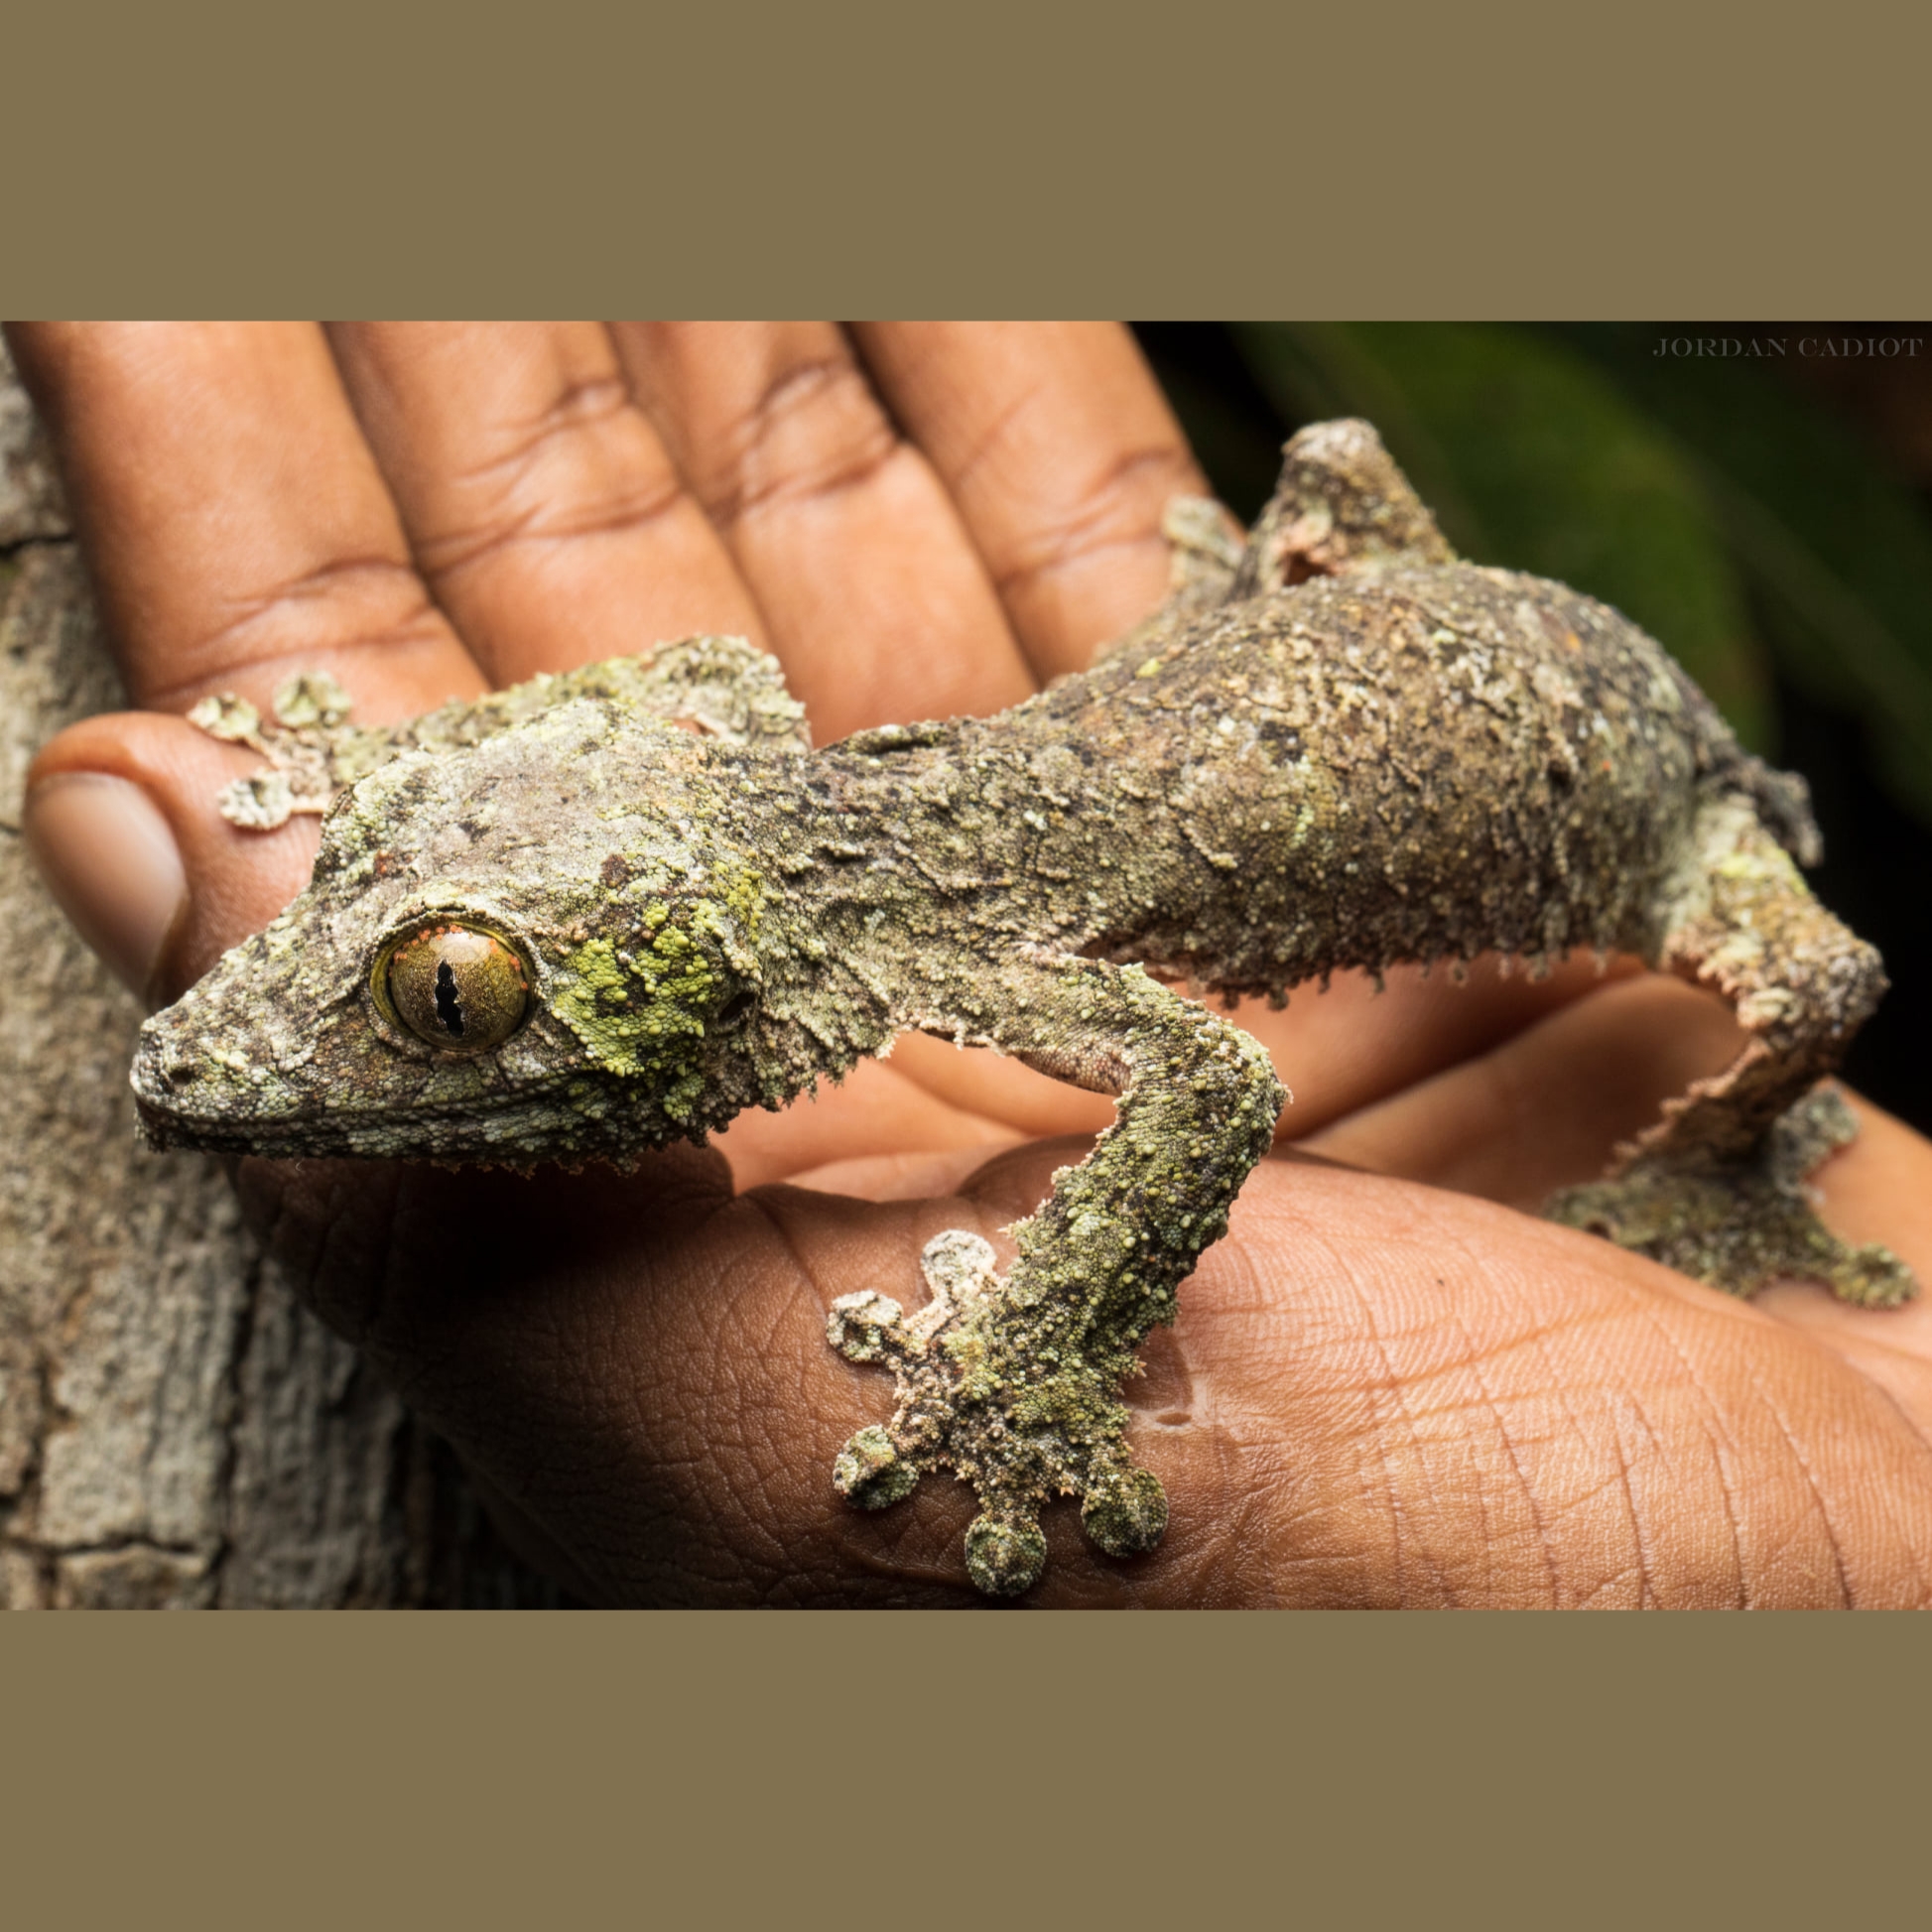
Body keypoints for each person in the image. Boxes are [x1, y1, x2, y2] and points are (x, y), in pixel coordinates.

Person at [15, 321, 1932, 1607]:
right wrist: (421, 785)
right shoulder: (838, 835)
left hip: (1650, 778)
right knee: (1328, 456)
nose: (255, 1048)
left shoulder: (957, 929)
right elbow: (704, 681)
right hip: (1409, 650)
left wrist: (1044, 1348)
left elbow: (1219, 1079)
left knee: (1822, 982)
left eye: (446, 1007)